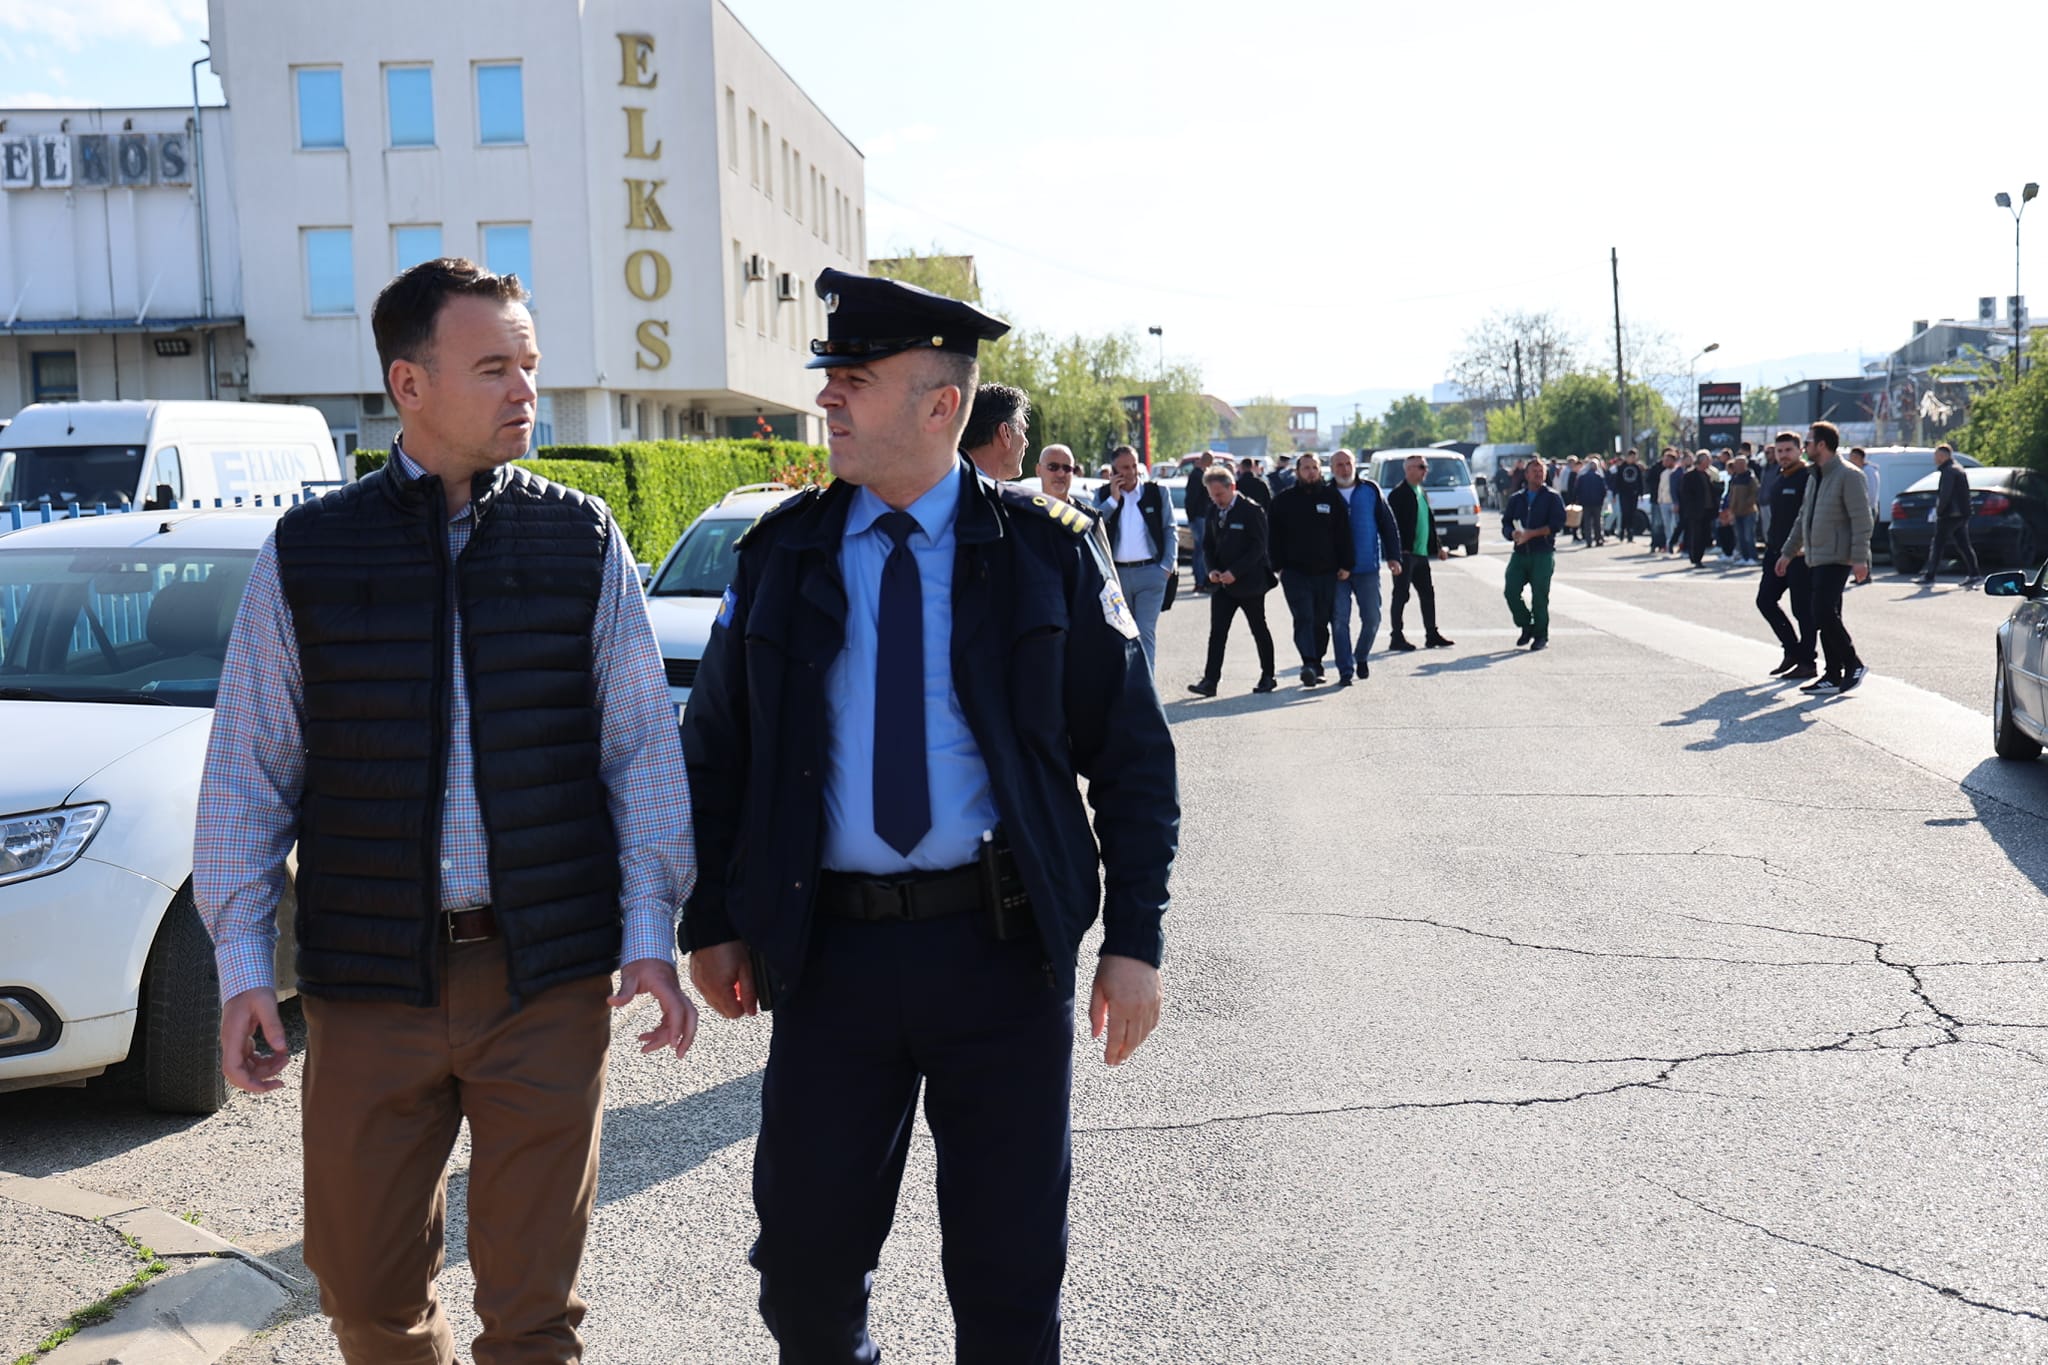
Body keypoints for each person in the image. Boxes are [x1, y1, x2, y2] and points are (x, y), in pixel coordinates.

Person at [193, 258, 698, 1365]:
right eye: (494, 367)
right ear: (408, 383)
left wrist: (649, 938)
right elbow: (247, 775)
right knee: (364, 1294)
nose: (526, 390)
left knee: (533, 1318)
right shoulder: (309, 554)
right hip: (370, 986)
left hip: (544, 982)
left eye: (530, 364)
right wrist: (241, 967)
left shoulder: (582, 540)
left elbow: (640, 754)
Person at [681, 266, 1177, 1364]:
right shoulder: (780, 555)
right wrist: (709, 917)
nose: (828, 396)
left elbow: (1133, 759)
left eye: (855, 379)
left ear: (941, 403)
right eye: (830, 376)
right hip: (831, 962)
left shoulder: (1044, 550)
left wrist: (1134, 941)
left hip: (1000, 959)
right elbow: (713, 752)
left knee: (1009, 1284)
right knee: (804, 1277)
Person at [1777, 420, 1871, 694]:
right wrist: (1787, 553)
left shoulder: (1849, 475)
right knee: (1826, 614)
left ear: (1821, 445)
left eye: (1807, 442)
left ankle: (1853, 663)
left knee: (1822, 612)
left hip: (1838, 556)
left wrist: (1860, 558)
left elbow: (1862, 520)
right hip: (1816, 556)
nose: (1804, 447)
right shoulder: (1816, 476)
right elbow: (1802, 518)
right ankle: (1833, 674)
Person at [1189, 465, 1279, 695]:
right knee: (1217, 633)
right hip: (1222, 585)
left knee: (1258, 628)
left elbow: (1258, 547)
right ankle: (1210, 681)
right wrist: (1211, 570)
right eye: (1212, 495)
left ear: (1232, 487)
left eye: (1219, 494)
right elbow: (1208, 546)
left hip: (1250, 583)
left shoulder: (1251, 510)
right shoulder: (1213, 511)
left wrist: (1235, 572)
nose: (1217, 499)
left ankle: (1268, 676)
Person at [1267, 451, 1353, 687]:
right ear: (1297, 472)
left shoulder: (1331, 498)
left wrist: (1346, 564)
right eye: (1306, 468)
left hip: (1327, 572)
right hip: (1294, 572)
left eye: (1314, 468)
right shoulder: (1284, 500)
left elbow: (1343, 533)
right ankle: (1308, 663)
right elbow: (1273, 536)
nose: (1311, 472)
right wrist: (1277, 565)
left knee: (1320, 620)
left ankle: (1318, 662)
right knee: (1303, 617)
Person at [1095, 444, 1178, 671]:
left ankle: (1146, 685)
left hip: (1151, 574)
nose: (1131, 472)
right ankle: (1126, 684)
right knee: (1122, 633)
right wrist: (1113, 501)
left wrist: (1166, 566)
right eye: (1124, 468)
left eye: (1134, 466)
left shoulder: (1157, 493)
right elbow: (1092, 526)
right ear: (1114, 470)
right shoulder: (1103, 495)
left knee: (1144, 631)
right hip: (1117, 577)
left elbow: (1170, 529)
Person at [1327, 448, 1401, 686]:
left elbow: (1387, 524)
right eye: (1339, 465)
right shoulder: (1325, 494)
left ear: (1355, 465)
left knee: (1372, 618)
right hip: (1336, 571)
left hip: (1367, 566)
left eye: (1347, 464)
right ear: (1332, 468)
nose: (1344, 469)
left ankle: (1361, 655)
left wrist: (1394, 556)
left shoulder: (1370, 490)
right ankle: (1345, 670)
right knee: (1339, 621)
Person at [1757, 432, 1819, 680]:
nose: (1783, 455)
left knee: (1802, 610)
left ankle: (1808, 662)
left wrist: (1797, 549)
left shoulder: (1808, 477)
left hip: (1799, 554)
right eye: (1779, 451)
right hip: (1775, 551)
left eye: (1788, 450)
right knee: (1765, 601)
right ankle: (1792, 650)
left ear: (1800, 450)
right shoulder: (1779, 477)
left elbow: (1808, 518)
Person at [1386, 453, 1454, 650]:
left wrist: (1438, 547)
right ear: (1409, 469)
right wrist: (1396, 553)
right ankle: (1396, 636)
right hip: (1406, 554)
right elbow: (1391, 527)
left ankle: (1431, 634)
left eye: (1425, 467)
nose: (1426, 471)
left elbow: (1429, 523)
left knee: (1427, 594)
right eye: (1421, 467)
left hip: (1421, 553)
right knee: (1401, 595)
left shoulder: (1421, 492)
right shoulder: (1398, 494)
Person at [1502, 457, 1568, 650]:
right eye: (1534, 471)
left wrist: (1532, 534)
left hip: (1542, 553)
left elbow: (1557, 524)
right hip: (1520, 553)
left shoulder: (1552, 497)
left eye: (1542, 471)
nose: (1538, 474)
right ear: (1526, 474)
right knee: (1511, 590)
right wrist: (1512, 534)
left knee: (1539, 596)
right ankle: (1526, 625)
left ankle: (1541, 635)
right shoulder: (1517, 498)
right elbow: (1506, 523)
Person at [1920, 442, 1982, 589]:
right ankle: (1974, 574)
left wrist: (1939, 511)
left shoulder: (1949, 471)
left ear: (1943, 456)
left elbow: (1945, 494)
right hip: (1961, 513)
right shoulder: (1957, 468)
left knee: (1938, 544)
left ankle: (1930, 575)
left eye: (1936, 456)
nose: (1935, 459)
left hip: (1950, 514)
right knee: (1963, 544)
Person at [961, 383, 1030, 480]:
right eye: (1022, 430)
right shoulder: (975, 486)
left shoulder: (947, 482)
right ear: (1005, 433)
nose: (1026, 443)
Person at [1183, 450, 1216, 591]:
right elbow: (1192, 498)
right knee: (1201, 550)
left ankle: (1202, 579)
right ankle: (1201, 581)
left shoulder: (1200, 474)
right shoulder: (1197, 476)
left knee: (1201, 549)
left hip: (1201, 516)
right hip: (1199, 517)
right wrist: (1192, 517)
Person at [1680, 451, 1718, 568]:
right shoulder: (1690, 476)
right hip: (1695, 512)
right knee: (1696, 535)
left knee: (1705, 535)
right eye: (1707, 460)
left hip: (1707, 510)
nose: (1709, 463)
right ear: (1701, 461)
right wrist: (1691, 508)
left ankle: (1699, 556)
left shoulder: (1707, 475)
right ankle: (1696, 558)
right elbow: (1685, 494)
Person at [1722, 455, 1761, 563]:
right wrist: (1731, 507)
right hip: (1736, 512)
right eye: (1736, 464)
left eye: (1740, 464)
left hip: (1749, 512)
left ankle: (1752, 557)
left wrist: (1746, 504)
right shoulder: (1735, 479)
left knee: (1749, 536)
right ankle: (1744, 557)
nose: (1738, 466)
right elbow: (1731, 494)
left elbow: (1754, 493)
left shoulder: (1750, 478)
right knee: (1740, 537)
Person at [1652, 449, 1683, 554]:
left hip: (1674, 503)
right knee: (1667, 525)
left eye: (1667, 460)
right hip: (1664, 502)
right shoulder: (1663, 473)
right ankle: (1669, 544)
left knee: (1676, 524)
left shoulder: (1678, 472)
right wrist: (1659, 499)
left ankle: (1680, 543)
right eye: (1664, 460)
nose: (1665, 462)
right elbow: (1660, 488)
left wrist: (1677, 502)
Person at [1612, 448, 1646, 543]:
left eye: (1635, 457)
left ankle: (1630, 533)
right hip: (1624, 493)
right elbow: (1617, 481)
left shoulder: (1637, 468)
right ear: (1628, 457)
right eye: (1631, 457)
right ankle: (1622, 531)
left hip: (1634, 494)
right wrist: (1615, 494)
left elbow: (1640, 481)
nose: (1633, 459)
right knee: (1625, 512)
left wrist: (1641, 493)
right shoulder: (1622, 467)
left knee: (1632, 513)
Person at [1576, 456, 1608, 548]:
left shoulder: (1582, 477)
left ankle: (1588, 541)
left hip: (1585, 503)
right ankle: (1598, 539)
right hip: (1597, 503)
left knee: (1587, 522)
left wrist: (1578, 500)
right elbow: (1604, 490)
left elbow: (1577, 490)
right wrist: (1601, 500)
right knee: (1597, 522)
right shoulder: (1599, 477)